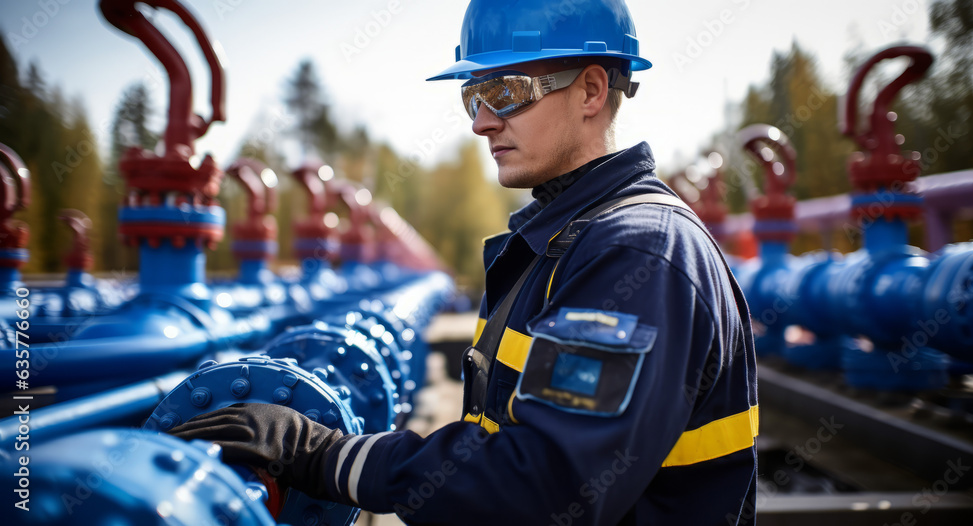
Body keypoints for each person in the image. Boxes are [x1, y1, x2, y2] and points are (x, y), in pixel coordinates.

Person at [171, 1, 759, 524]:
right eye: (472, 95)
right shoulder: (564, 243)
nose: (480, 121)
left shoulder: (636, 253)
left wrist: (327, 457)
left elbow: (547, 488)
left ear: (591, 90)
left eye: (505, 92)